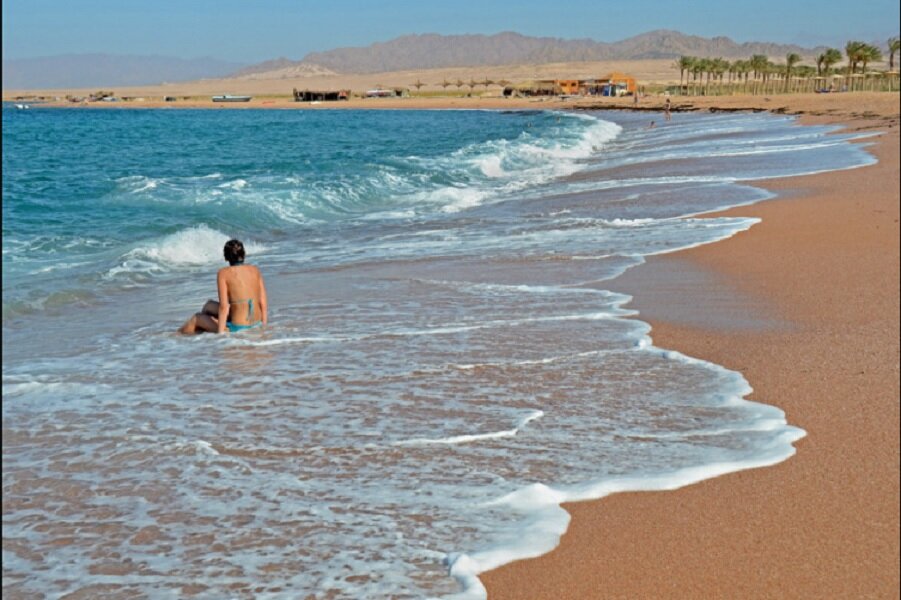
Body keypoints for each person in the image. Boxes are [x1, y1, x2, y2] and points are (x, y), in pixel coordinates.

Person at [179, 239, 268, 334]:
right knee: (208, 305)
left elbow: (224, 307)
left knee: (197, 318)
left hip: (238, 328)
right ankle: (204, 334)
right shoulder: (255, 270)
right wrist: (263, 325)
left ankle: (177, 338)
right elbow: (263, 302)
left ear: (226, 257)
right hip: (257, 323)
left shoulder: (223, 273)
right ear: (244, 254)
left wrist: (220, 334)